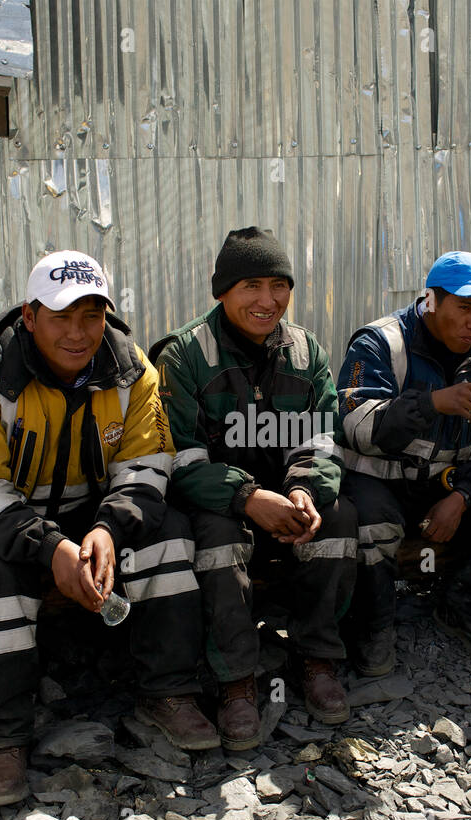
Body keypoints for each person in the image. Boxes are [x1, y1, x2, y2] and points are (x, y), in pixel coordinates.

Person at [0, 251, 215, 806]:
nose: (77, 332)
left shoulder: (133, 369)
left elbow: (148, 463)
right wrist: (52, 547)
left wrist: (109, 530)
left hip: (92, 510)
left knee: (169, 534)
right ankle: (3, 734)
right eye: (61, 316)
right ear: (30, 315)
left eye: (91, 316)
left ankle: (170, 692)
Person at [150, 227, 358, 750]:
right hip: (220, 502)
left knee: (338, 519)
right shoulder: (183, 355)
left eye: (279, 285)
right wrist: (247, 498)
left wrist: (305, 489)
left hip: (284, 499)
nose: (268, 301)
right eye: (251, 286)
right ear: (222, 292)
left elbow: (321, 435)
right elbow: (179, 458)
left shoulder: (306, 351)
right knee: (217, 540)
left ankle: (318, 658)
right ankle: (236, 680)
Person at [336, 251, 471, 674]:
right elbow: (356, 427)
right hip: (382, 481)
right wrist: (433, 403)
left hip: (447, 486)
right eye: (465, 307)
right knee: (369, 521)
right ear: (432, 300)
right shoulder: (381, 343)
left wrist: (463, 496)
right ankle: (374, 627)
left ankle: (467, 610)